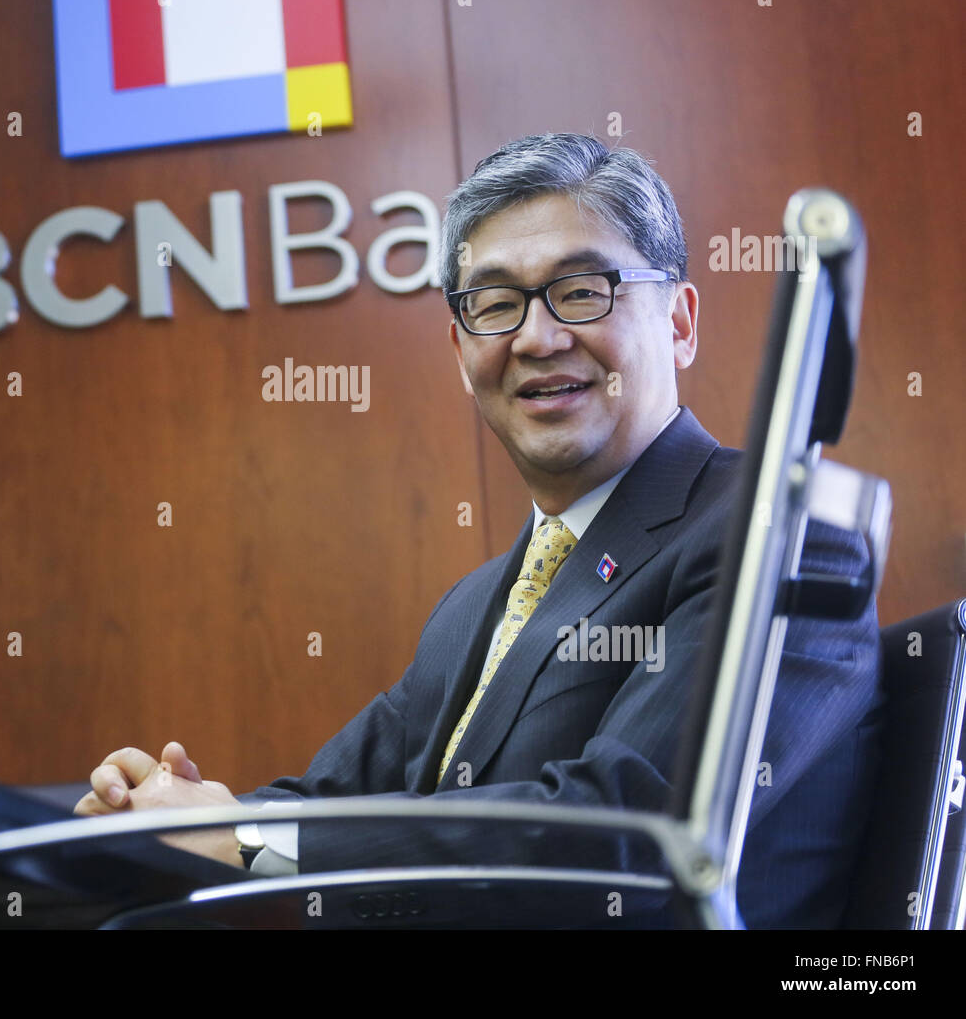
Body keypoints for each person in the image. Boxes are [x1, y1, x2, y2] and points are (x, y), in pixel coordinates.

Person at [74, 133, 883, 927]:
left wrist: (239, 842)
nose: (536, 337)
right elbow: (333, 808)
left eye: (581, 290)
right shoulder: (473, 607)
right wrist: (174, 822)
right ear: (463, 353)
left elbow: (626, 844)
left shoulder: (779, 533)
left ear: (679, 321)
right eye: (496, 305)